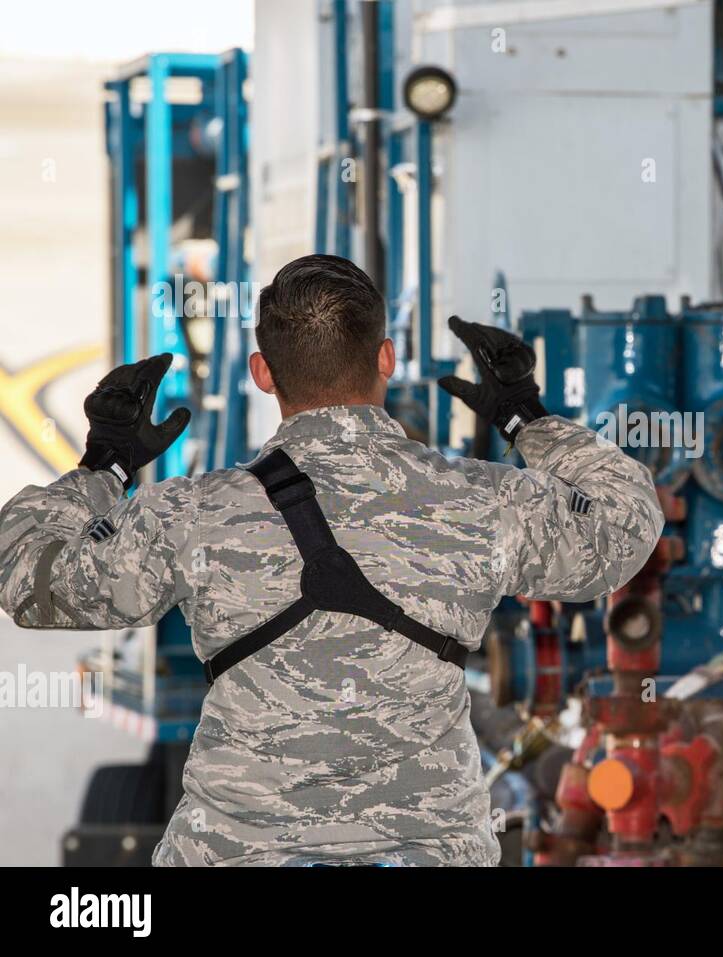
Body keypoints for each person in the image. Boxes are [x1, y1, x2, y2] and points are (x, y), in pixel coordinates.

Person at [0, 254, 665, 866]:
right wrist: (528, 418)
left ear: (262, 372)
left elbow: (27, 577)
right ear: (387, 358)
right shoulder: (482, 502)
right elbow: (626, 526)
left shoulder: (192, 515)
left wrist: (104, 465)